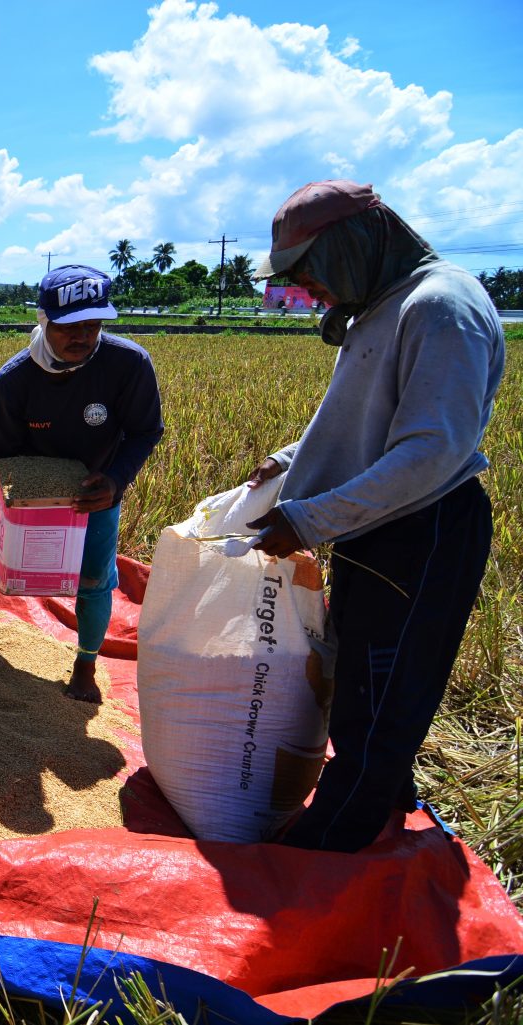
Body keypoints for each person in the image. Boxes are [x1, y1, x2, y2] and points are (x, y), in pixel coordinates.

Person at [243, 180, 504, 853]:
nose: (306, 287)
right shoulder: (382, 307)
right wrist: (285, 461)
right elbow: (369, 423)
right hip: (376, 527)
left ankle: (332, 847)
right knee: (361, 681)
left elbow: (429, 450)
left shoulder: (440, 305)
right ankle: (383, 798)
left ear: (352, 243)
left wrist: (309, 519)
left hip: (424, 530)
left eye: (308, 270)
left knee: (384, 693)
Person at [0, 265, 163, 704]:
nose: (83, 337)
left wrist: (114, 480)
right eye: (70, 326)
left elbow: (146, 430)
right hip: (27, 487)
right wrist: (5, 519)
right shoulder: (14, 381)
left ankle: (85, 666)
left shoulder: (128, 365)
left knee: (94, 579)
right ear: (44, 320)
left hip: (95, 493)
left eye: (93, 325)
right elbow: (6, 460)